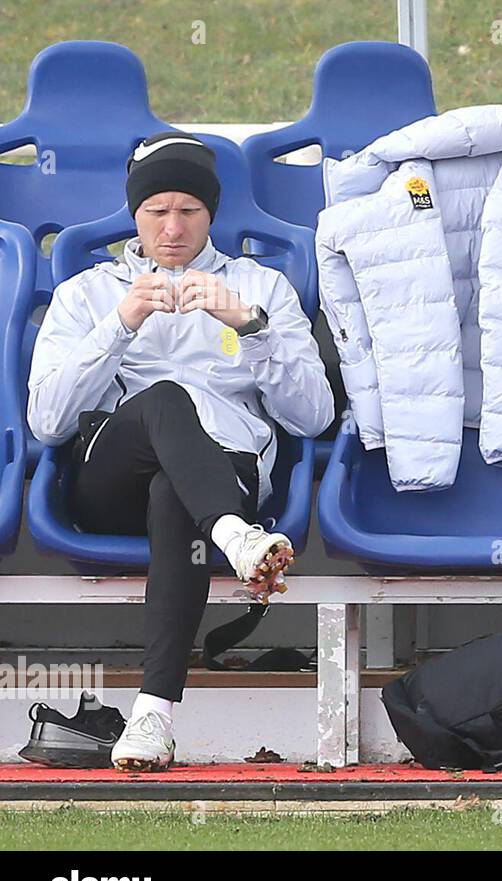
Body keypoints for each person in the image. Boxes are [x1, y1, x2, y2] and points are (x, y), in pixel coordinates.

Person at [28, 132, 334, 772]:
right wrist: (117, 326)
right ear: (133, 215)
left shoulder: (261, 286)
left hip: (220, 474)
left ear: (212, 214)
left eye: (188, 211)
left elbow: (312, 415)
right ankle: (234, 534)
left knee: (178, 490)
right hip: (113, 479)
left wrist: (251, 330)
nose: (172, 228)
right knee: (166, 397)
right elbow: (49, 422)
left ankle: (153, 716)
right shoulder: (88, 291)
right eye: (156, 211)